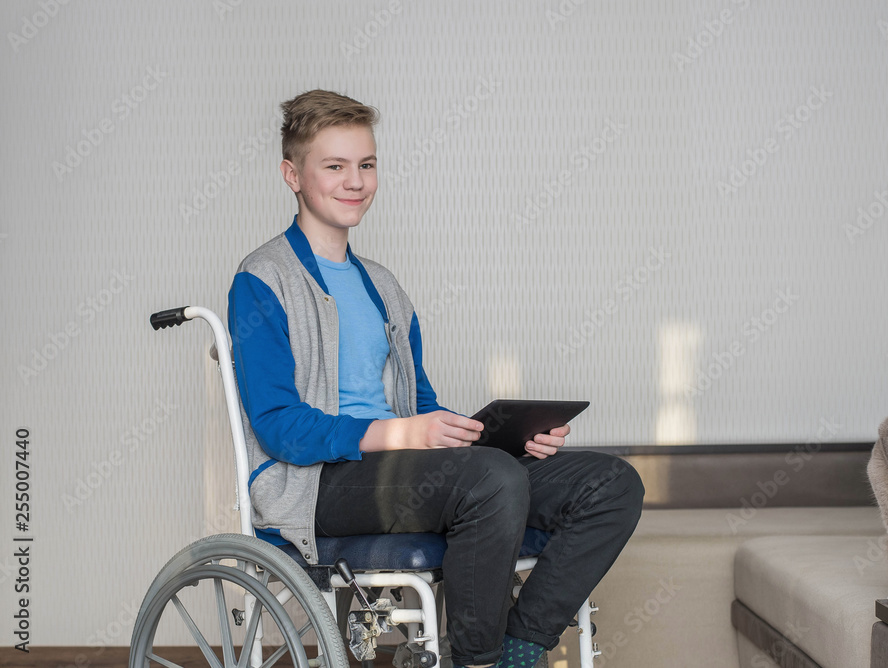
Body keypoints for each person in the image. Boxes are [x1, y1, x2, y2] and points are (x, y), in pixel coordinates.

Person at [228, 89, 644, 668]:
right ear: (292, 175)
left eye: (367, 164)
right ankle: (478, 659)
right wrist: (404, 434)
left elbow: (421, 403)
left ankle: (520, 647)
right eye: (335, 166)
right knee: (491, 480)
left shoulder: (384, 286)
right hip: (318, 484)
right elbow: (279, 428)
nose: (356, 182)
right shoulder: (263, 278)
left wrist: (502, 440)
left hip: (400, 470)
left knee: (610, 484)